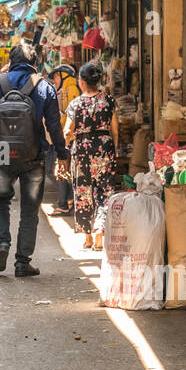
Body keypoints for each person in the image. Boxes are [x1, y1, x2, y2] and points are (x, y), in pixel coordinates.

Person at [0, 40, 68, 277]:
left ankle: (2, 244)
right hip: (33, 153)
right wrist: (63, 153)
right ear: (34, 63)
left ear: (11, 62)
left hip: (4, 152)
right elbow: (54, 126)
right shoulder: (45, 87)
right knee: (29, 210)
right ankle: (22, 263)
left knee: (0, 201)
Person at [64, 60, 119, 251]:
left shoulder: (75, 104)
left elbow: (66, 131)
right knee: (104, 192)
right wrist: (113, 149)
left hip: (81, 150)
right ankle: (99, 234)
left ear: (81, 82)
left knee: (83, 192)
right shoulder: (108, 101)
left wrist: (69, 143)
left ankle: (87, 238)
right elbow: (114, 130)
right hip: (104, 148)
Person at [48, 64, 81, 214]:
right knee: (63, 170)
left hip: (69, 138)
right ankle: (67, 201)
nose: (54, 80)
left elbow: (71, 117)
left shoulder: (72, 90)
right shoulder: (66, 90)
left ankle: (65, 203)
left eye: (56, 76)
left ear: (64, 75)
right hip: (66, 137)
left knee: (61, 169)